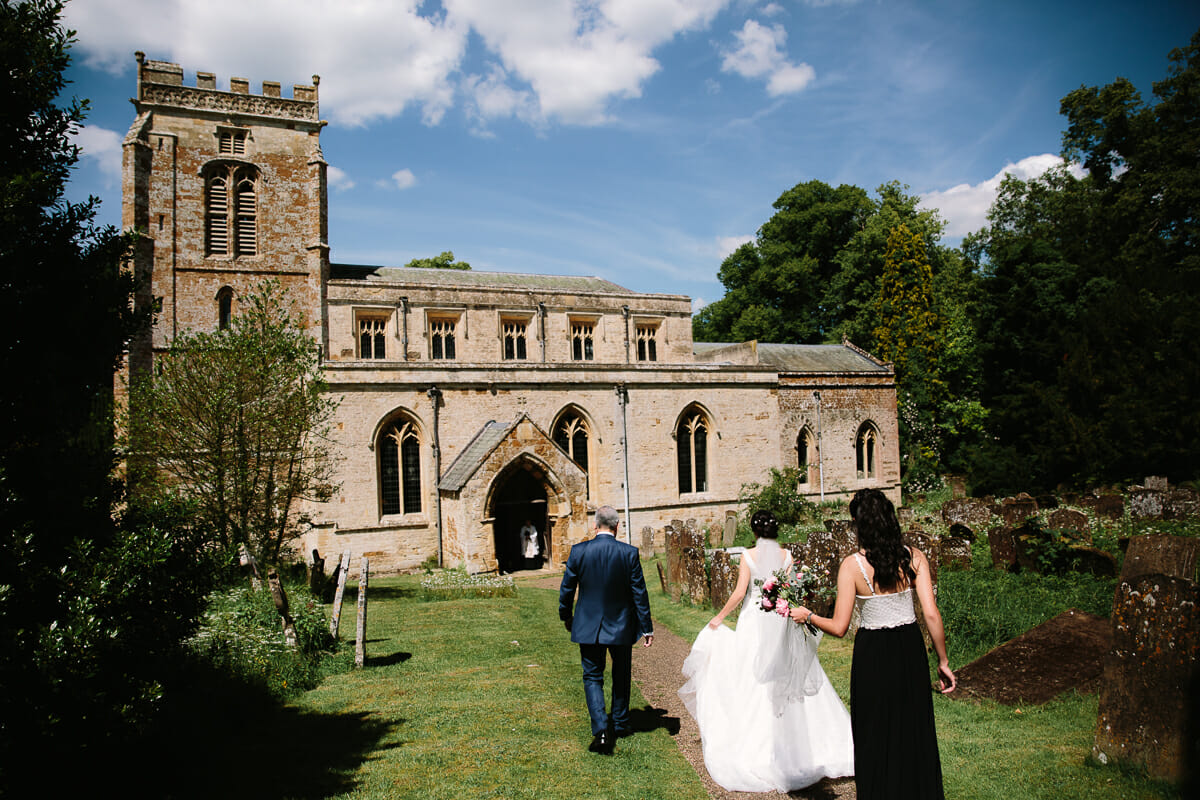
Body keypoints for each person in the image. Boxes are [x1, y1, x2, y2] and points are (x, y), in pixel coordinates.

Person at [790, 488, 956, 800]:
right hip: (909, 649)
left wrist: (809, 615)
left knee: (874, 733)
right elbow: (931, 615)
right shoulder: (914, 557)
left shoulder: (851, 566)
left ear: (859, 524)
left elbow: (839, 627)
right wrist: (943, 662)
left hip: (873, 654)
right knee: (914, 730)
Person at [678, 510, 854, 792]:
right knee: (783, 670)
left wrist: (720, 617)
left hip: (754, 620)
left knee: (753, 674)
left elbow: (739, 593)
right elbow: (788, 591)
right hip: (779, 619)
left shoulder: (747, 556)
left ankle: (754, 741)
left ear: (755, 531)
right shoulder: (786, 556)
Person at [559, 505, 654, 754]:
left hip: (588, 624)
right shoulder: (629, 553)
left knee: (592, 676)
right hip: (621, 624)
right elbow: (639, 594)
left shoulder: (579, 552)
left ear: (595, 524)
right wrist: (646, 627)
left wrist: (565, 615)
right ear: (617, 526)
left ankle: (601, 731)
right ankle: (620, 723)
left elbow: (567, 588)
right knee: (621, 673)